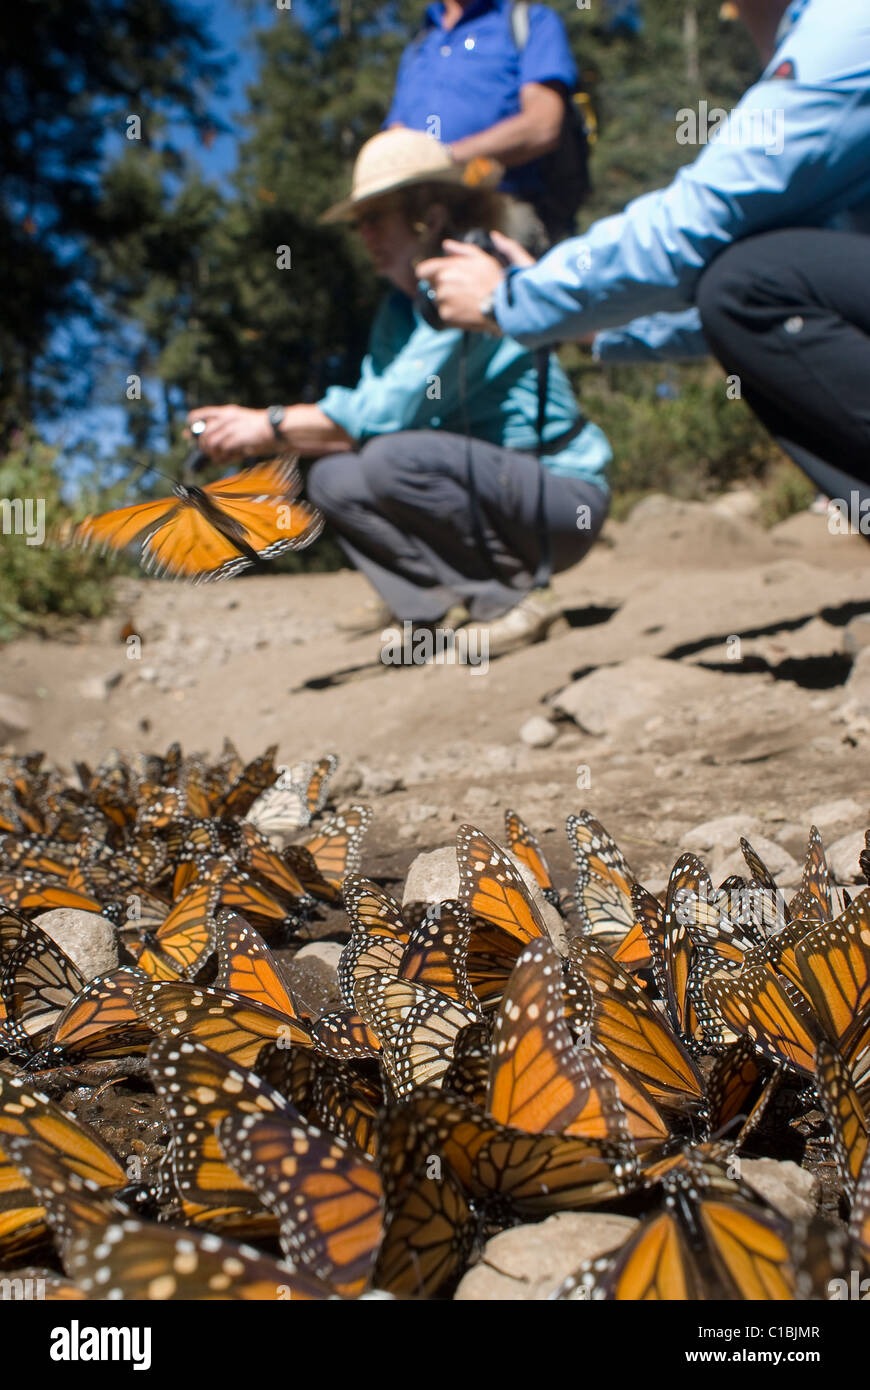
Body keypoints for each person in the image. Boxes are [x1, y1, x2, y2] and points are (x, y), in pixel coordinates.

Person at [416, 0, 870, 520]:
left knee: (745, 280)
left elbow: (698, 224)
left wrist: (512, 298)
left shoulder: (848, 24)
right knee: (745, 281)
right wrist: (596, 328)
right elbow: (776, 303)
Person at [186, 130, 611, 657]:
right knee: (336, 476)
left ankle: (513, 602)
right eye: (359, 221)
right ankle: (429, 611)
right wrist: (276, 433)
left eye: (376, 218)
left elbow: (386, 412)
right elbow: (362, 413)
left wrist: (269, 424)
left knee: (389, 456)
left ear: (429, 217)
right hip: (495, 494)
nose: (364, 234)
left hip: (559, 500)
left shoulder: (468, 287)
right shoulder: (397, 312)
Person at [386, 0, 582, 249]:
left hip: (502, 207)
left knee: (488, 281)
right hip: (417, 216)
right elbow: (396, 132)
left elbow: (542, 126)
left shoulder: (530, 21)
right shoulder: (420, 43)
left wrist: (444, 159)